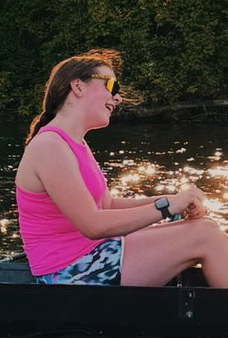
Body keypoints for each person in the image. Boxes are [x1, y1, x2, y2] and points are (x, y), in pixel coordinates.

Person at [16, 50, 228, 287]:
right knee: (205, 236)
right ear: (78, 87)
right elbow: (93, 225)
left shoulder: (75, 144)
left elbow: (107, 206)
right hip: (70, 272)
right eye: (110, 86)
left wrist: (169, 199)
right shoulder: (49, 146)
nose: (117, 98)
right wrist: (166, 208)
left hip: (93, 256)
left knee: (204, 226)